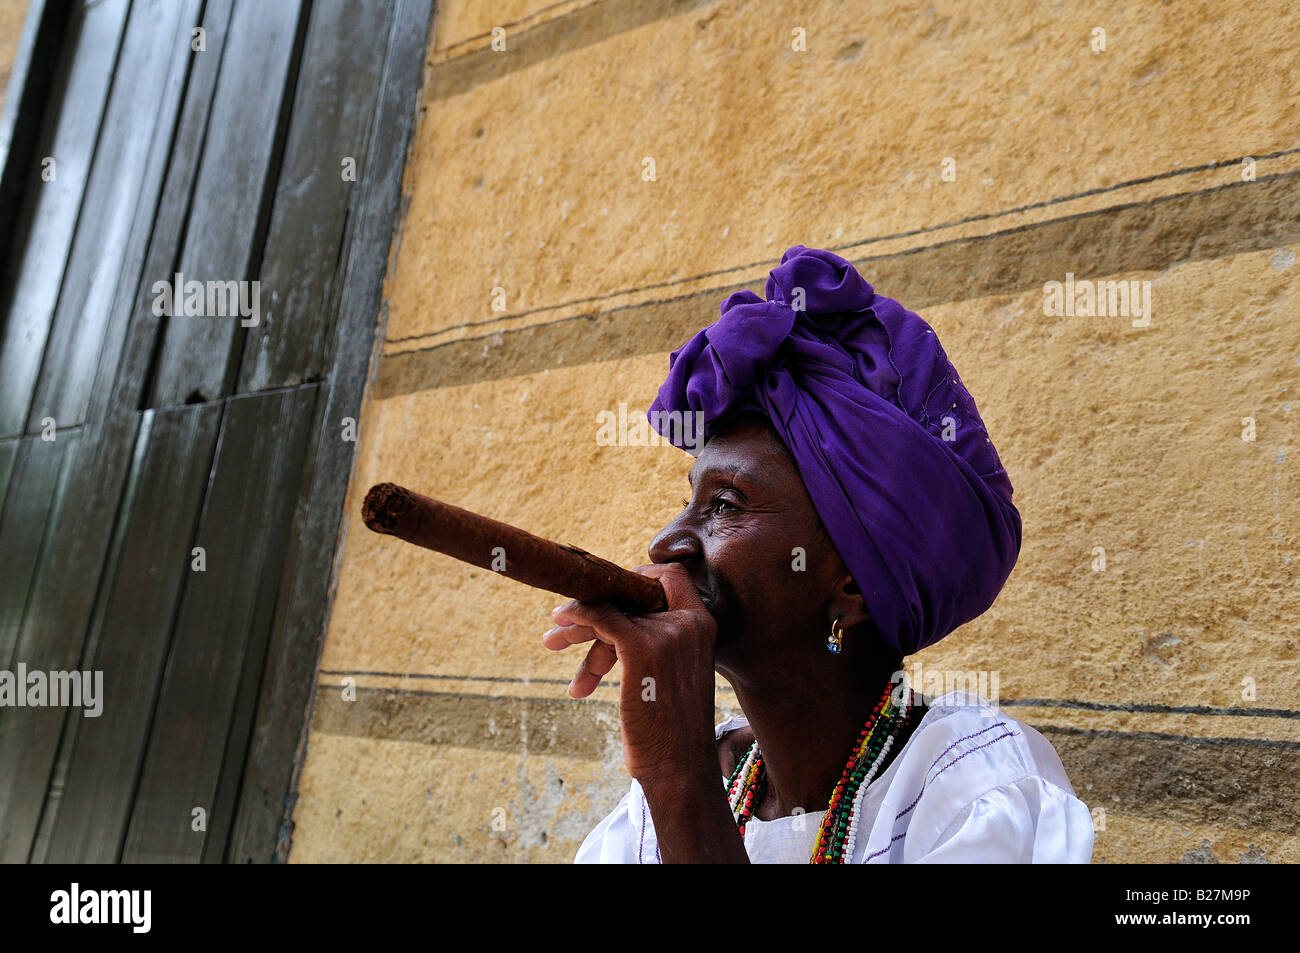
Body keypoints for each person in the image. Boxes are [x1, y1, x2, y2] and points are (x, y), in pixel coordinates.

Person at [541, 246, 1093, 863]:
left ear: (853, 583)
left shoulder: (977, 786)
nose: (666, 544)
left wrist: (677, 775)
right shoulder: (668, 805)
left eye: (725, 505)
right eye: (690, 502)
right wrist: (679, 776)